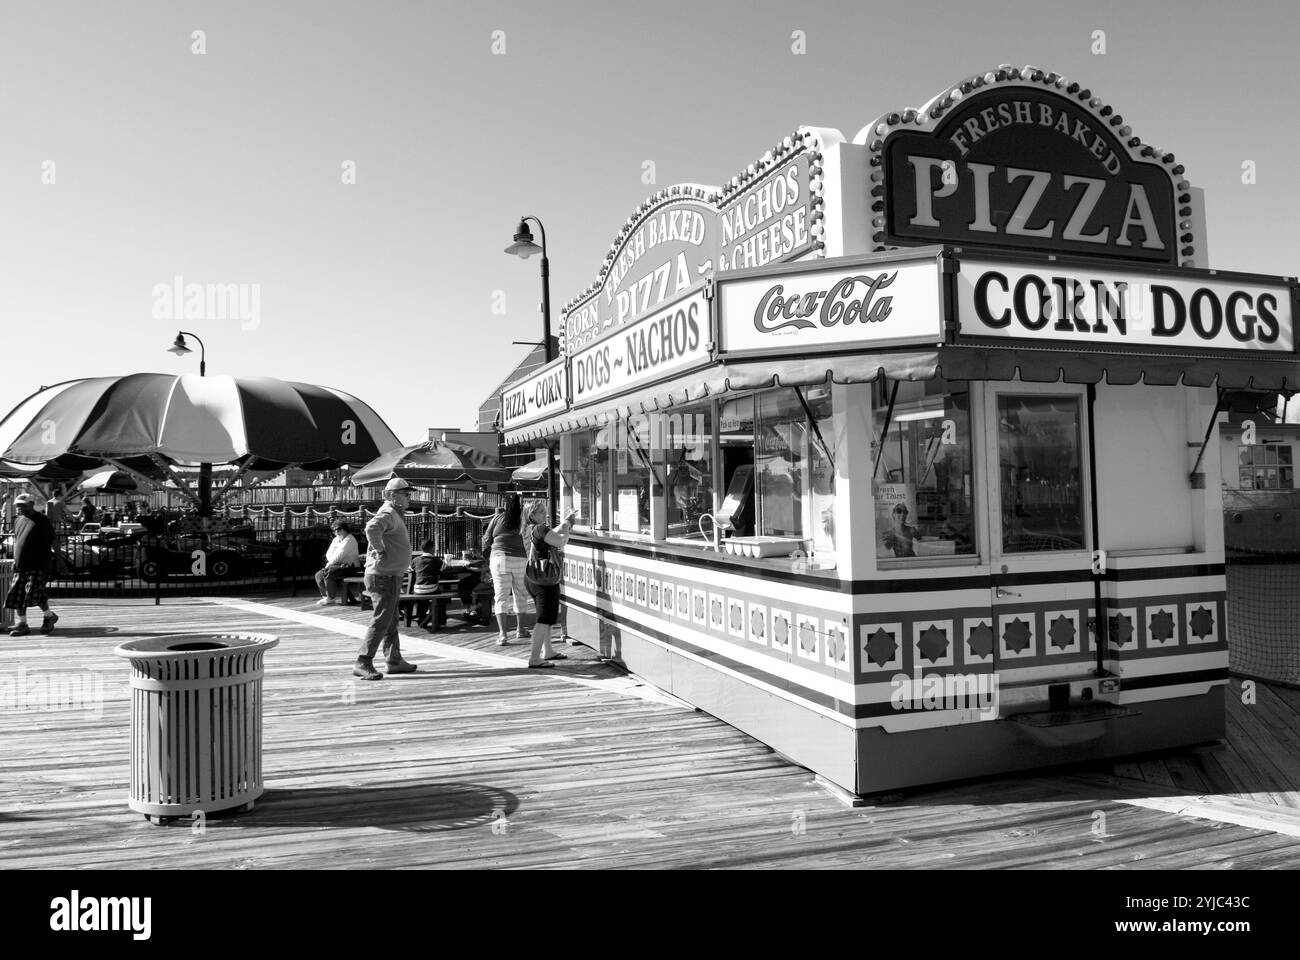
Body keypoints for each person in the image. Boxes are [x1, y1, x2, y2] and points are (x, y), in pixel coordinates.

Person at [352, 478, 417, 680]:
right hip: (383, 575)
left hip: (389, 575)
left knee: (390, 619)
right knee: (382, 619)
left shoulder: (394, 513)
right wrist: (380, 550)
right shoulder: (388, 512)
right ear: (391, 495)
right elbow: (372, 528)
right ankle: (363, 661)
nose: (408, 497)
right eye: (405, 494)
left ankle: (394, 660)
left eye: (409, 494)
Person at [522, 502, 576, 668]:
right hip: (545, 579)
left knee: (545, 616)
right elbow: (560, 541)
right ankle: (534, 657)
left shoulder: (529, 529)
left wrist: (564, 523)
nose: (545, 514)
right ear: (532, 515)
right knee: (544, 619)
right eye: (541, 512)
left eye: (545, 510)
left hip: (533, 577)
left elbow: (551, 534)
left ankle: (548, 651)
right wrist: (567, 527)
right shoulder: (540, 528)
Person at [5, 493, 59, 636]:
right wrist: (15, 561)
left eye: (21, 505)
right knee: (17, 595)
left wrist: (60, 562)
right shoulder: (18, 520)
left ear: (31, 504)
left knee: (34, 593)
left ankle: (48, 616)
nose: (18, 507)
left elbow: (54, 541)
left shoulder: (42, 520)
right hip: (21, 566)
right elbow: (18, 541)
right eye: (17, 505)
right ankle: (22, 624)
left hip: (38, 564)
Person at [482, 494, 531, 645]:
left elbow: (486, 538)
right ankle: (520, 630)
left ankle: (503, 635)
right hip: (520, 559)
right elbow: (528, 541)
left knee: (501, 596)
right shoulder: (524, 520)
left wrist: (486, 553)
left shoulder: (497, 518)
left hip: (500, 558)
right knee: (520, 594)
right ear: (520, 506)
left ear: (505, 505)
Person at [315, 520, 360, 605]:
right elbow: (329, 554)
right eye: (334, 530)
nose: (336, 532)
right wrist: (331, 563)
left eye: (339, 529)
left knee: (329, 571)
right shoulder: (336, 539)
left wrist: (329, 564)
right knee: (318, 575)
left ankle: (331, 597)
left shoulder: (350, 539)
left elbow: (340, 555)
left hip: (350, 567)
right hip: (337, 565)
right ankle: (326, 596)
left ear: (345, 529)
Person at [411, 538, 444, 629]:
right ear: (432, 548)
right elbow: (443, 567)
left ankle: (421, 619)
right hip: (432, 587)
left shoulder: (416, 560)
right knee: (441, 597)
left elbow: (410, 570)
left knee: (422, 599)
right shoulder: (436, 560)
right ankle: (441, 620)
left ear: (421, 548)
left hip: (418, 588)